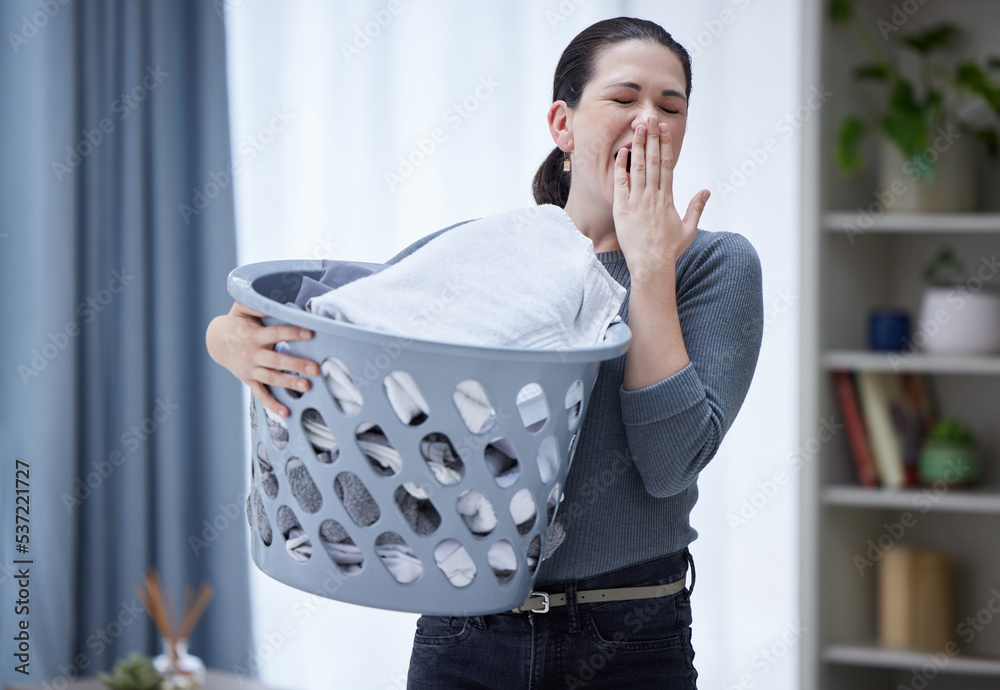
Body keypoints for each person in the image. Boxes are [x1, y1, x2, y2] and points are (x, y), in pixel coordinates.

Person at [206, 15, 763, 690]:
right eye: (624, 97)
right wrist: (226, 338)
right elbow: (347, 320)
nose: (649, 119)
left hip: (629, 637)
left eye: (670, 107)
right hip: (465, 634)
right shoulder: (494, 254)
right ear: (562, 124)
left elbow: (669, 465)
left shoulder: (713, 265)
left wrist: (650, 270)